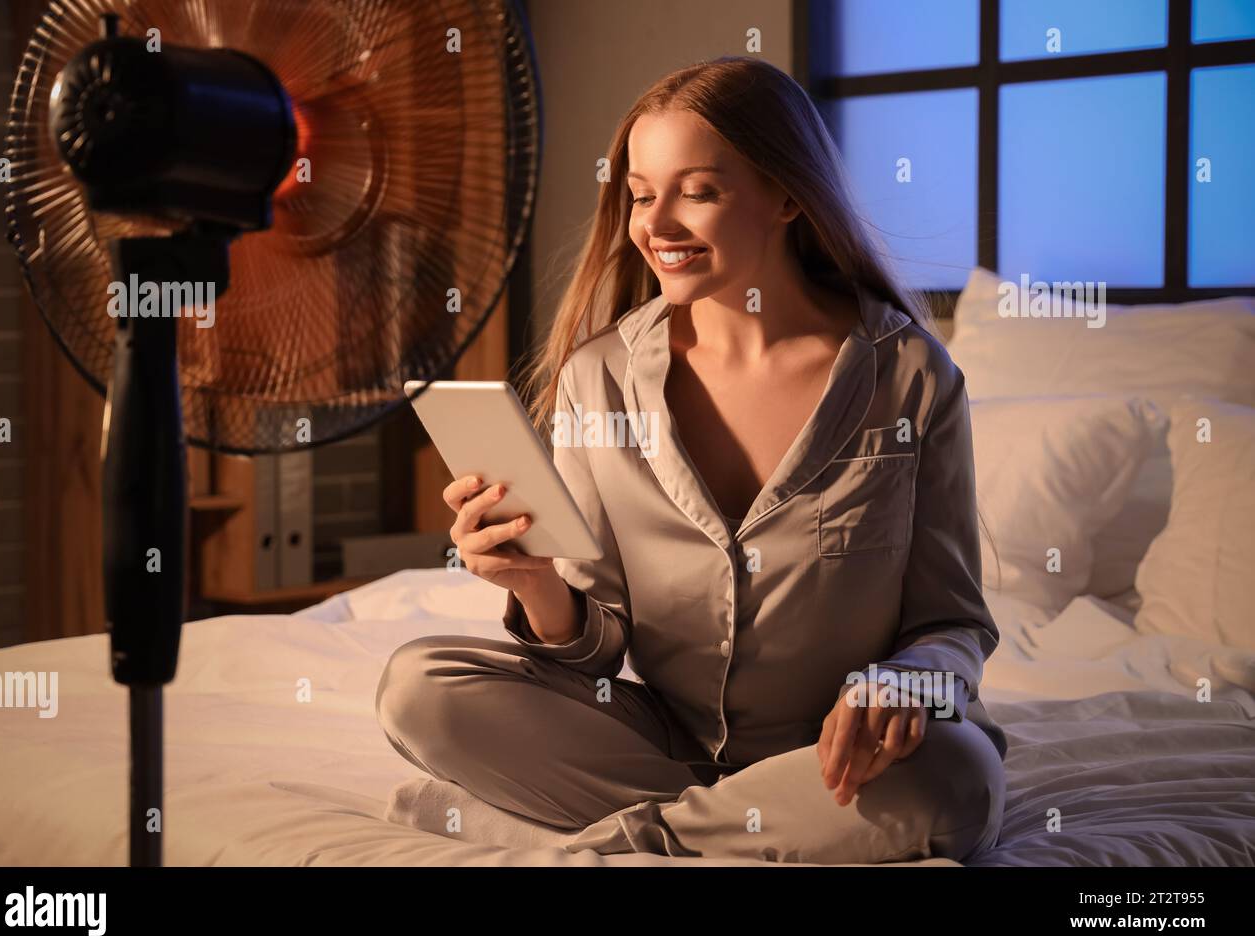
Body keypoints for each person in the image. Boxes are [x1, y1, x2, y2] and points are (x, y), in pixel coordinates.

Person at [377, 56, 1007, 864]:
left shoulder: (911, 374)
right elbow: (598, 647)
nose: (655, 224)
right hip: (665, 744)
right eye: (641, 194)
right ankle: (755, 825)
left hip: (848, 759)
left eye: (699, 191)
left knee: (954, 780)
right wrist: (536, 585)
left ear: (788, 196)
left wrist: (902, 684)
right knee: (420, 689)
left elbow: (952, 625)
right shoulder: (596, 377)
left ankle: (644, 837)